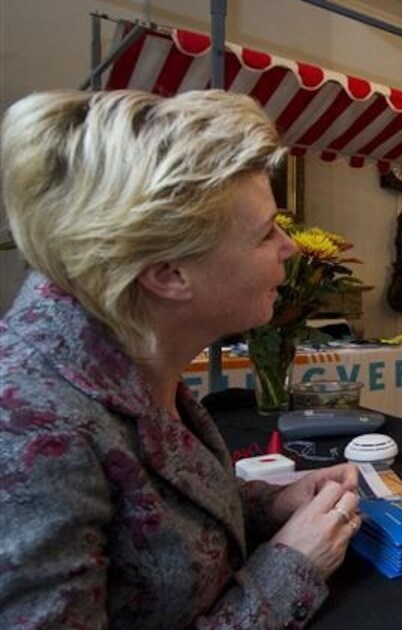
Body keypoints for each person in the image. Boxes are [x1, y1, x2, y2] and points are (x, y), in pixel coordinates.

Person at [0, 89, 362, 627]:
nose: (288, 246)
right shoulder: (34, 435)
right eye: (265, 232)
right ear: (168, 274)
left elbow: (157, 518)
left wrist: (266, 505)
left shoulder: (127, 343)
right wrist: (291, 569)